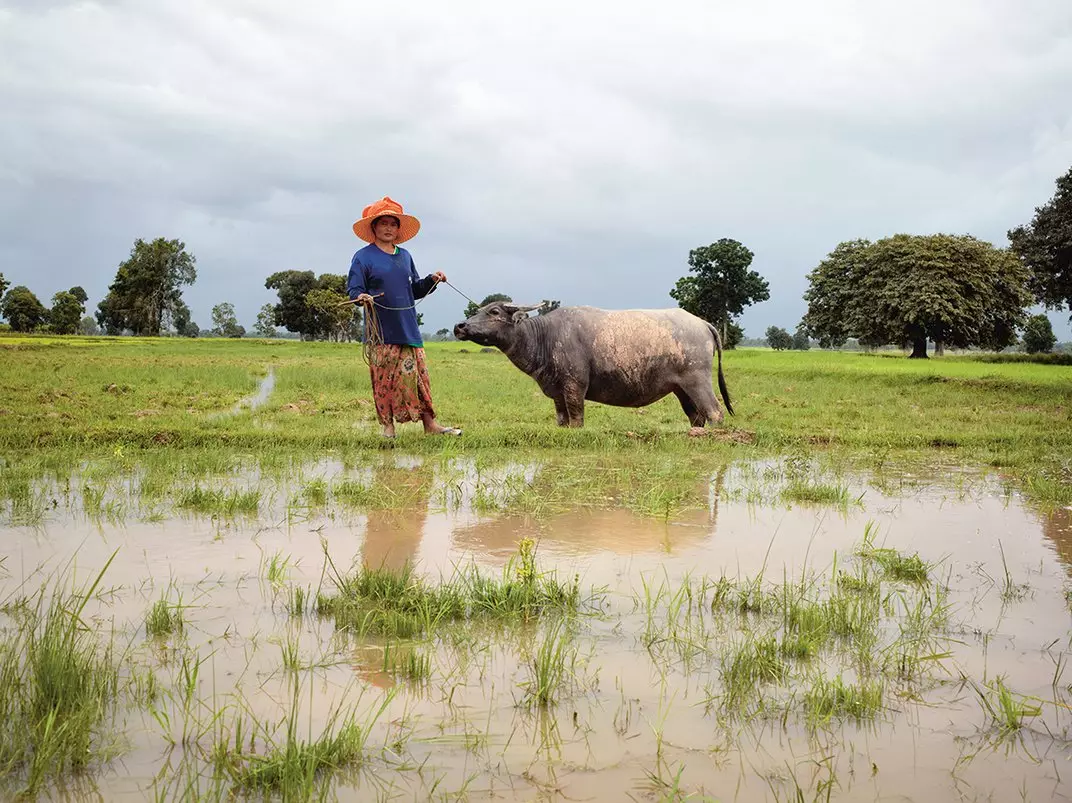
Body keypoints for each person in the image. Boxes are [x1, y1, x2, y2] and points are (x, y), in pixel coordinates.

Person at [347, 196, 462, 438]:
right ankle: (388, 427)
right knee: (384, 382)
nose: (389, 228)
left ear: (398, 229)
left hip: (408, 328)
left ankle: (430, 425)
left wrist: (432, 280)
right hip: (381, 331)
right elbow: (354, 290)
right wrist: (362, 297)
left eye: (393, 224)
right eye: (383, 223)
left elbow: (416, 289)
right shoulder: (363, 257)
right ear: (374, 227)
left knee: (419, 379)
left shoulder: (405, 256)